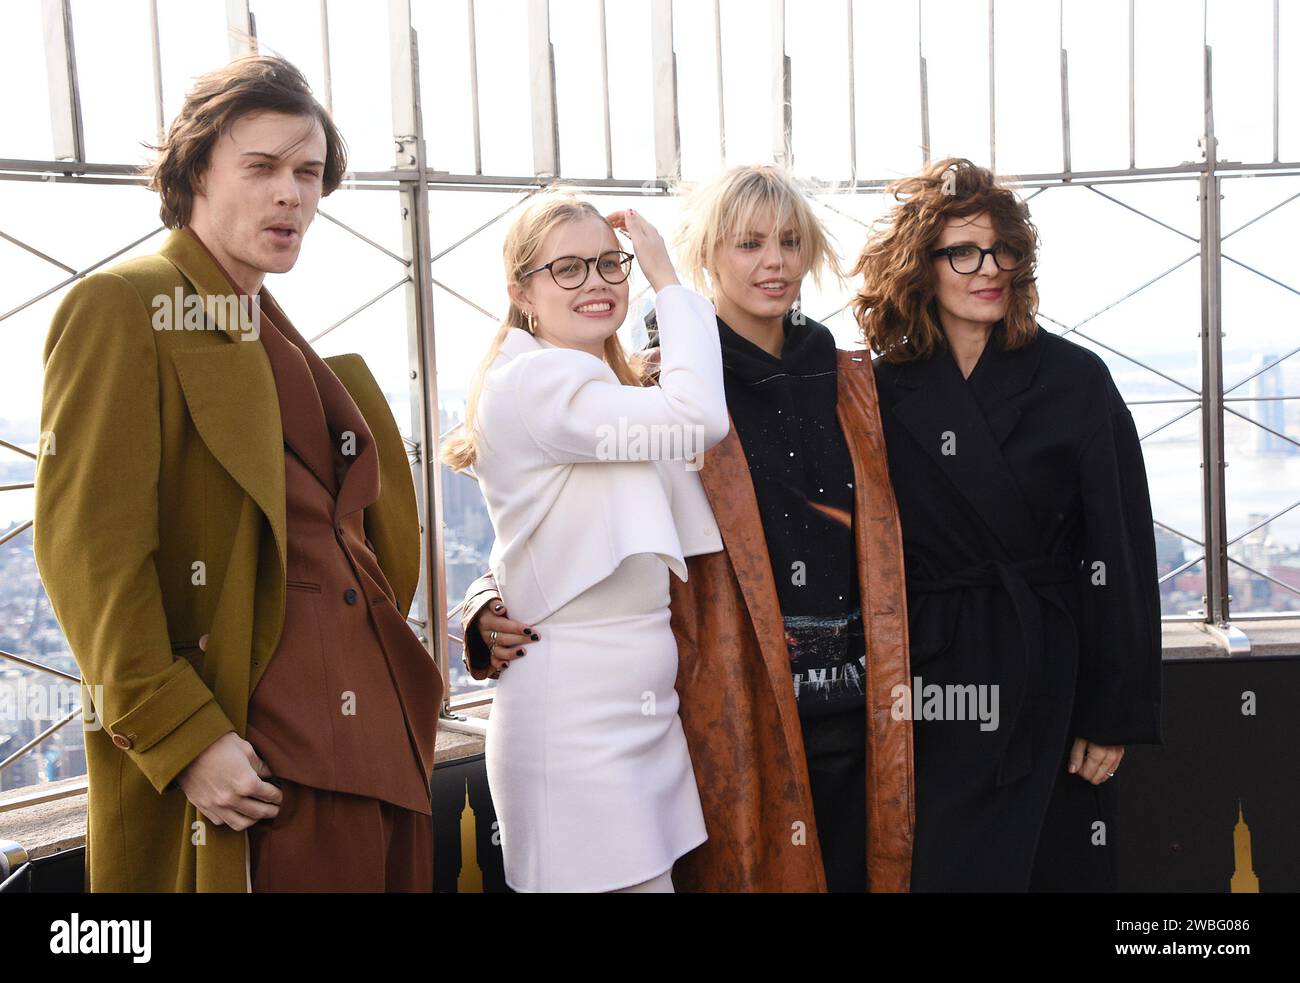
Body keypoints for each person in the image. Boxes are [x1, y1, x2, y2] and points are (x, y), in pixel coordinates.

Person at [34, 56, 441, 892]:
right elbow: (89, 554)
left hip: (378, 763)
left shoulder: (269, 332)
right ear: (194, 174)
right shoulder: (126, 303)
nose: (291, 193)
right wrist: (183, 738)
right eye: (260, 167)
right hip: (259, 781)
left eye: (308, 172)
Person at [461, 165, 915, 892]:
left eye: (791, 240)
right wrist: (485, 598)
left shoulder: (849, 381)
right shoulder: (661, 382)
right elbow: (548, 508)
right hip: (724, 697)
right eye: (748, 243)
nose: (774, 261)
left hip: (824, 701)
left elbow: (577, 509)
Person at [853, 157, 1163, 891]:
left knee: (1051, 866)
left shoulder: (1075, 379)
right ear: (919, 265)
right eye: (963, 250)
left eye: (1002, 249)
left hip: (1046, 673)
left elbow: (1119, 550)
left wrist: (1111, 711)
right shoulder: (878, 388)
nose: (987, 268)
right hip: (930, 681)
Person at [440, 193, 730, 893]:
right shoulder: (540, 379)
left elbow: (557, 530)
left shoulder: (601, 383)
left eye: (609, 263)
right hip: (576, 718)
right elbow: (697, 420)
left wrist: (478, 599)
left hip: (636, 707)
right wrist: (665, 277)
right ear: (522, 293)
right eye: (567, 268)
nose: (597, 281)